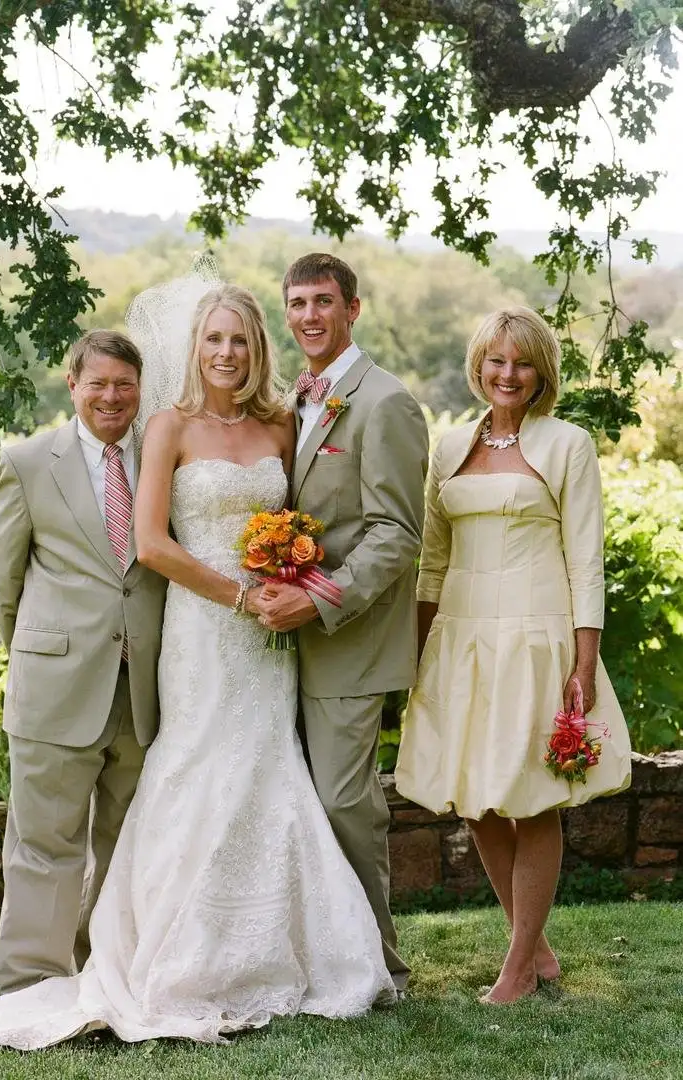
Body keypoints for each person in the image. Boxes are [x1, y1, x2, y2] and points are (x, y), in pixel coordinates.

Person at [0, 281, 395, 1049]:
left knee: (260, 775)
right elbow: (145, 546)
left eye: (239, 339)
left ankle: (273, 951)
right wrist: (235, 595)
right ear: (193, 349)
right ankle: (86, 970)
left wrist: (290, 574)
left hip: (261, 645)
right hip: (195, 632)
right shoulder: (163, 427)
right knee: (168, 784)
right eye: (213, 339)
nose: (225, 352)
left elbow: (304, 515)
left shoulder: (280, 426)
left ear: (256, 348)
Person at [395, 306, 632, 1004]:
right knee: (476, 800)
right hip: (459, 640)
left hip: (536, 638)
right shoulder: (448, 448)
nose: (508, 373)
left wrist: (582, 663)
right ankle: (538, 950)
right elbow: (432, 564)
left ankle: (519, 965)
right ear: (478, 365)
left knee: (531, 799)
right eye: (496, 360)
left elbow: (585, 562)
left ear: (542, 373)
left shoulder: (567, 445)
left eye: (523, 362)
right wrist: (417, 653)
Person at [257, 253, 429, 991]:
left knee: (343, 799)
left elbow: (396, 533)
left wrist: (319, 598)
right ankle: (309, 952)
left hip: (349, 637)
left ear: (352, 309)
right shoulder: (291, 401)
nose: (309, 317)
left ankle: (377, 960)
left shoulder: (384, 402)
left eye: (323, 301)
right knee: (290, 799)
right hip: (276, 642)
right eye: (297, 303)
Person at [0, 329, 167, 993]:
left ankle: (103, 973)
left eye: (124, 384)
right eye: (98, 384)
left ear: (139, 388)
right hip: (56, 686)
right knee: (43, 844)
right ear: (72, 385)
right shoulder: (28, 462)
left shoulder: (163, 459)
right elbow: (0, 578)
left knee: (126, 842)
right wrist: (44, 650)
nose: (111, 397)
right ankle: (30, 982)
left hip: (144, 689)